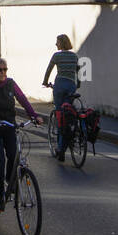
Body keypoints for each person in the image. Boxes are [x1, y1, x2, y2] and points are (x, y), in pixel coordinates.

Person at [0, 57, 40, 212]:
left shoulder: (11, 83)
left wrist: (33, 115)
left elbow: (22, 99)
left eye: (5, 69)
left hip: (8, 125)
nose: (3, 72)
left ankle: (9, 179)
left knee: (14, 155)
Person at [43, 34, 80, 162]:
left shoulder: (57, 55)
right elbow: (77, 72)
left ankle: (60, 148)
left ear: (61, 43)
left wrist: (45, 82)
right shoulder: (74, 56)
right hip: (71, 86)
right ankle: (72, 134)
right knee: (69, 113)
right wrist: (77, 84)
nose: (56, 44)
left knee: (60, 115)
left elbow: (49, 70)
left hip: (59, 86)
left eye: (57, 42)